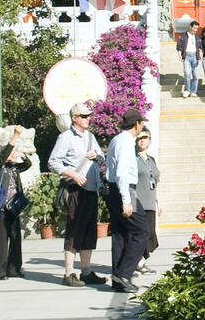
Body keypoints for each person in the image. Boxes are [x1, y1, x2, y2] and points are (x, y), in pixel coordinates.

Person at [48, 102, 107, 287]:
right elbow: (53, 162)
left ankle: (86, 271)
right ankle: (69, 273)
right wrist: (72, 173)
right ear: (75, 118)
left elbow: (102, 157)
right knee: (74, 230)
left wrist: (97, 156)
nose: (88, 118)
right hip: (75, 190)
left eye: (89, 115)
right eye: (84, 116)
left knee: (90, 231)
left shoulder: (90, 137)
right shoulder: (65, 137)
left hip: (91, 190)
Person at [104, 108, 151, 292]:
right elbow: (122, 172)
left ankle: (118, 278)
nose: (142, 126)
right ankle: (124, 273)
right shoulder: (125, 142)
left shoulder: (117, 139)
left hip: (114, 189)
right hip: (123, 190)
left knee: (120, 233)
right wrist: (126, 200)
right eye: (141, 123)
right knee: (141, 231)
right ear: (137, 124)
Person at [0, 124, 31, 279]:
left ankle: (14, 268)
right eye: (9, 152)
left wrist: (22, 155)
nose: (11, 154)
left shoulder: (13, 168)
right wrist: (15, 136)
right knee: (1, 240)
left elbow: (27, 165)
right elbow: (1, 157)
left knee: (15, 238)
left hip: (13, 207)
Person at [134, 127, 161, 260]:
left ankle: (141, 261)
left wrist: (158, 202)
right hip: (138, 201)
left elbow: (155, 182)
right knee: (141, 233)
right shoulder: (133, 158)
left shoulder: (152, 160)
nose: (142, 141)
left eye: (145, 138)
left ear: (149, 140)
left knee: (151, 234)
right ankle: (138, 262)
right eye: (139, 138)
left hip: (150, 202)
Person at [176, 21, 202, 97]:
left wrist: (200, 54)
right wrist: (179, 54)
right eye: (194, 28)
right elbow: (179, 45)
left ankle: (194, 91)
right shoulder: (183, 35)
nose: (196, 30)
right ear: (190, 27)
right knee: (187, 74)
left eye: (197, 29)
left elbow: (200, 47)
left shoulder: (197, 37)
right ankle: (187, 90)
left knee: (196, 75)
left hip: (195, 56)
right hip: (187, 56)